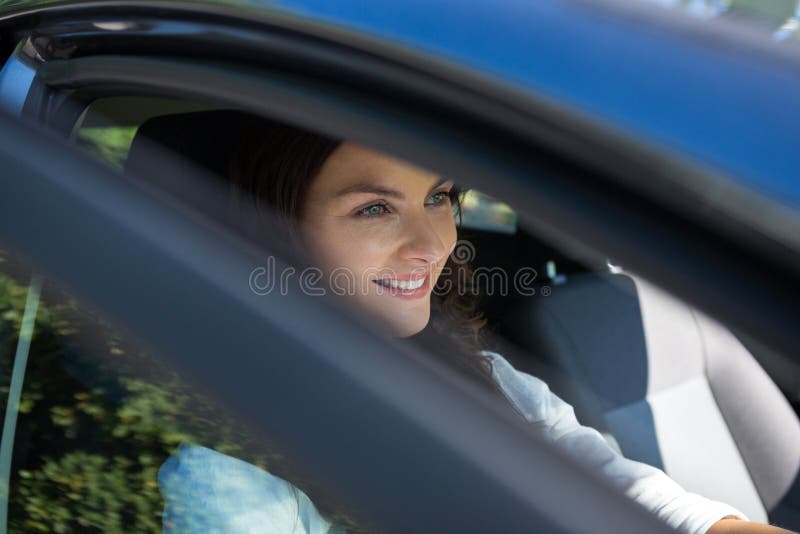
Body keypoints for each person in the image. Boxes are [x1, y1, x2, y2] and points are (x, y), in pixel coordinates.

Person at [157, 115, 794, 534]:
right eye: (375, 208)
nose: (431, 243)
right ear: (275, 229)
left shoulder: (478, 370)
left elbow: (613, 490)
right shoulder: (225, 470)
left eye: (440, 197)